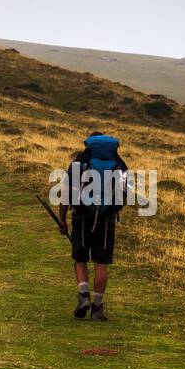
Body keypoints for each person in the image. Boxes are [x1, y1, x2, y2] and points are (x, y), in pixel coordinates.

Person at [56, 132, 127, 321]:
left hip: (81, 217)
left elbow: (66, 194)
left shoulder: (79, 164)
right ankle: (97, 307)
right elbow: (122, 196)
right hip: (106, 221)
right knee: (101, 264)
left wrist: (62, 220)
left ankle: (83, 295)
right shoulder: (118, 166)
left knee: (80, 259)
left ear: (89, 146)